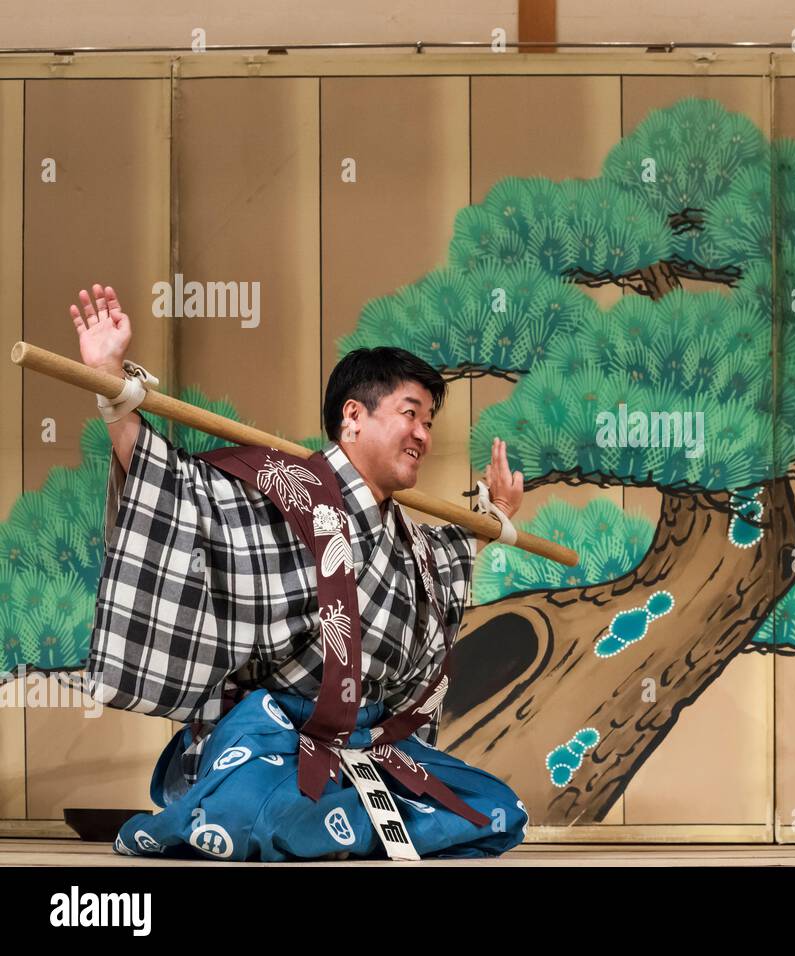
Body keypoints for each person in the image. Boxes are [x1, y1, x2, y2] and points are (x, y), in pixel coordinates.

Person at [71, 282, 529, 860]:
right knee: (261, 808)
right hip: (275, 734)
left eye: (429, 422)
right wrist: (113, 390)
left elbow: (450, 558)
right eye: (410, 414)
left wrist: (497, 516)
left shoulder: (410, 540)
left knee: (497, 809)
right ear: (353, 418)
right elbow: (179, 494)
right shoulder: (289, 495)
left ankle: (335, 828)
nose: (423, 434)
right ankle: (315, 826)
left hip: (364, 743)